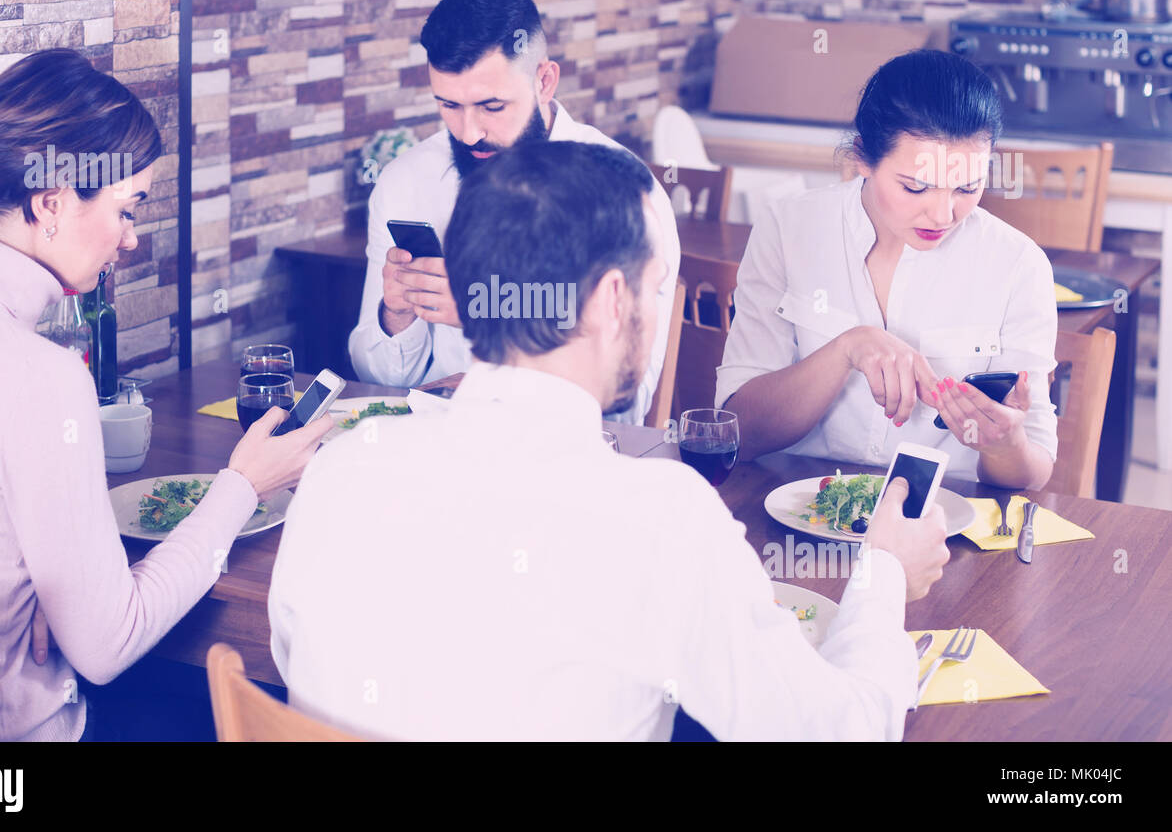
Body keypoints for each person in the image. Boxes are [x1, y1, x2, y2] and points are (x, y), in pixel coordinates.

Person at [269, 141, 949, 741]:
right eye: (658, 290)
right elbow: (843, 731)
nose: (658, 315)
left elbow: (291, 659)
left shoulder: (343, 467)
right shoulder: (663, 518)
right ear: (609, 300)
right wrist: (884, 570)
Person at [0, 49, 330, 741]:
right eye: (125, 209)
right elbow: (108, 644)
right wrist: (242, 485)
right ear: (50, 203)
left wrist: (13, 582)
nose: (132, 238)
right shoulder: (37, 377)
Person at [347, 0, 681, 425]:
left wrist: (489, 314)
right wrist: (396, 315)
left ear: (545, 81)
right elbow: (378, 379)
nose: (468, 133)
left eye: (491, 106)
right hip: (433, 454)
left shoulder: (624, 195)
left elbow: (627, 401)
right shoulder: (405, 182)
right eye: (448, 105)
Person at [716, 50, 1057, 490]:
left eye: (967, 187)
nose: (943, 214)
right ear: (863, 157)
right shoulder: (789, 228)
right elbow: (738, 433)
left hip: (941, 522)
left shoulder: (1018, 264)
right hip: (794, 505)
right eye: (915, 187)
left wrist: (1005, 445)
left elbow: (1033, 474)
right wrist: (845, 350)